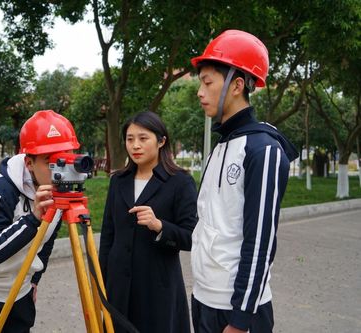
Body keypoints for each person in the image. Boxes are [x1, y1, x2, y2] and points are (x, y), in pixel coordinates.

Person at [189, 30, 299, 333]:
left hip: (237, 310)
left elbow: (261, 241)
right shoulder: (223, 144)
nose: (199, 91)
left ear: (237, 85)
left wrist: (240, 320)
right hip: (204, 296)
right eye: (200, 82)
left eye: (208, 82)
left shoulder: (263, 149)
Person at [0, 110, 81, 332]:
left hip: (20, 293)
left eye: (64, 158)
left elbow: (46, 242)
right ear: (29, 163)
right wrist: (33, 220)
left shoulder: (61, 191)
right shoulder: (1, 189)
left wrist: (34, 280)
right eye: (49, 161)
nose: (59, 170)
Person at [99, 111, 197, 333]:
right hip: (118, 287)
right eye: (130, 139)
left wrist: (159, 226)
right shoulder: (118, 181)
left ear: (161, 141)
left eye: (143, 138)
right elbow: (108, 234)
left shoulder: (180, 182)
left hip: (157, 287)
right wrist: (101, 280)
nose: (135, 145)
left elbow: (191, 237)